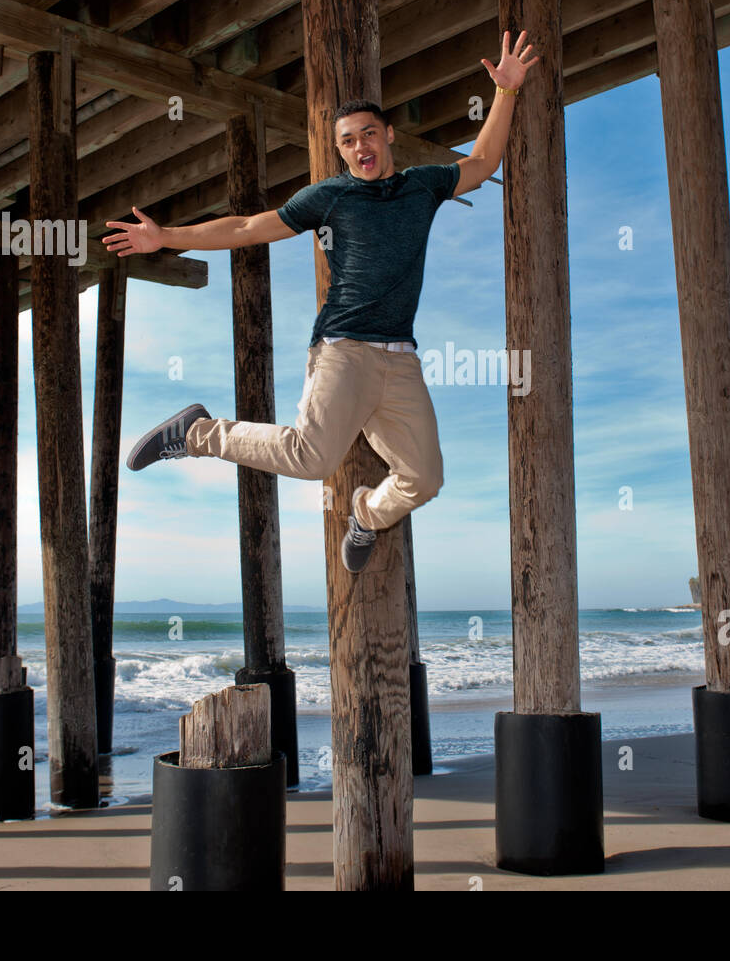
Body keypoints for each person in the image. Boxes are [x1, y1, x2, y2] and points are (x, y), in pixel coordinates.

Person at [107, 30, 540, 572]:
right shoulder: (330, 197)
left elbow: (483, 160)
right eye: (348, 141)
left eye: (368, 134)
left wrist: (506, 91)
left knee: (424, 478)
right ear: (340, 151)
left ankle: (367, 516)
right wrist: (166, 237)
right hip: (344, 350)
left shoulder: (424, 186)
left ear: (388, 135)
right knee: (310, 457)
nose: (361, 147)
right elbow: (246, 227)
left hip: (401, 360)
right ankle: (196, 432)